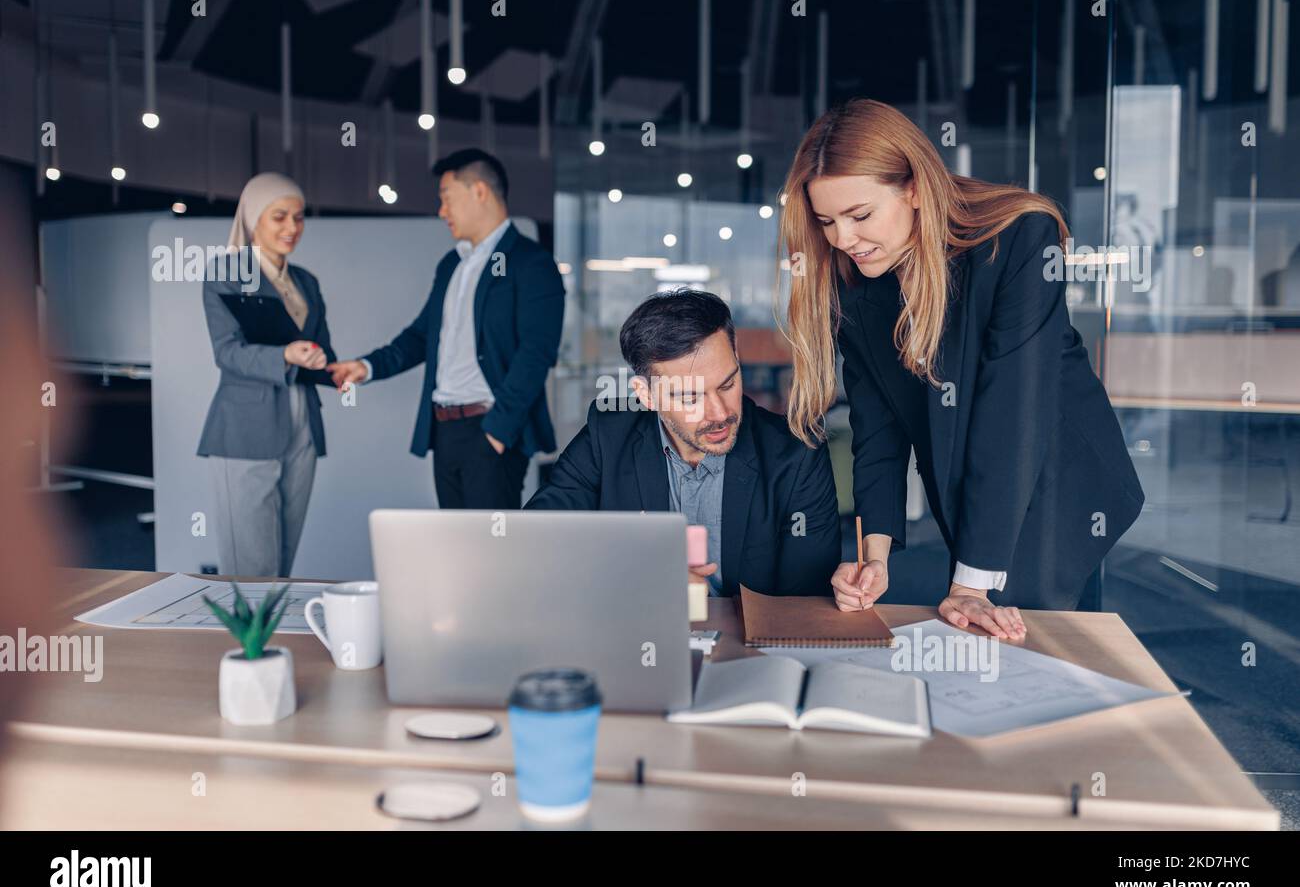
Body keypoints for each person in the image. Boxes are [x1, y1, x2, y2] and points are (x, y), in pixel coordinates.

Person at [779, 98, 1145, 636]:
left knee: (1043, 641)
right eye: (826, 221)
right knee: (985, 639)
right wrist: (872, 551)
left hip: (1056, 475)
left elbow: (1013, 411)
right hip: (969, 484)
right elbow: (876, 423)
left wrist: (971, 584)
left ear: (914, 188)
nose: (842, 239)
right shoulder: (854, 277)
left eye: (860, 216)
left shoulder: (1020, 237)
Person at [527, 290, 840, 598]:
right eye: (690, 397)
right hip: (637, 635)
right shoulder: (608, 437)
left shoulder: (797, 455)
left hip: (753, 645)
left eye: (728, 383)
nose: (720, 414)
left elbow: (806, 602)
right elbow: (535, 541)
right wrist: (639, 571)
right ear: (647, 395)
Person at [329, 149, 564, 510]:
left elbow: (536, 353)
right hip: (445, 430)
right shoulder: (452, 263)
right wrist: (367, 367)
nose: (442, 212)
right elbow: (422, 336)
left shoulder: (531, 263)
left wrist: (497, 433)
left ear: (480, 192)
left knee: (487, 556)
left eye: (446, 198)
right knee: (456, 551)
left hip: (490, 428)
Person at [197, 173, 336, 577]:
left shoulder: (306, 281)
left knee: (282, 564)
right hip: (245, 428)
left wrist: (338, 371)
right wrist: (286, 355)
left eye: (299, 217)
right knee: (252, 569)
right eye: (279, 217)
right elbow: (227, 353)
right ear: (254, 218)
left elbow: (322, 353)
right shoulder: (226, 272)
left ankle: (273, 642)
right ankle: (250, 642)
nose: (292, 228)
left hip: (303, 425)